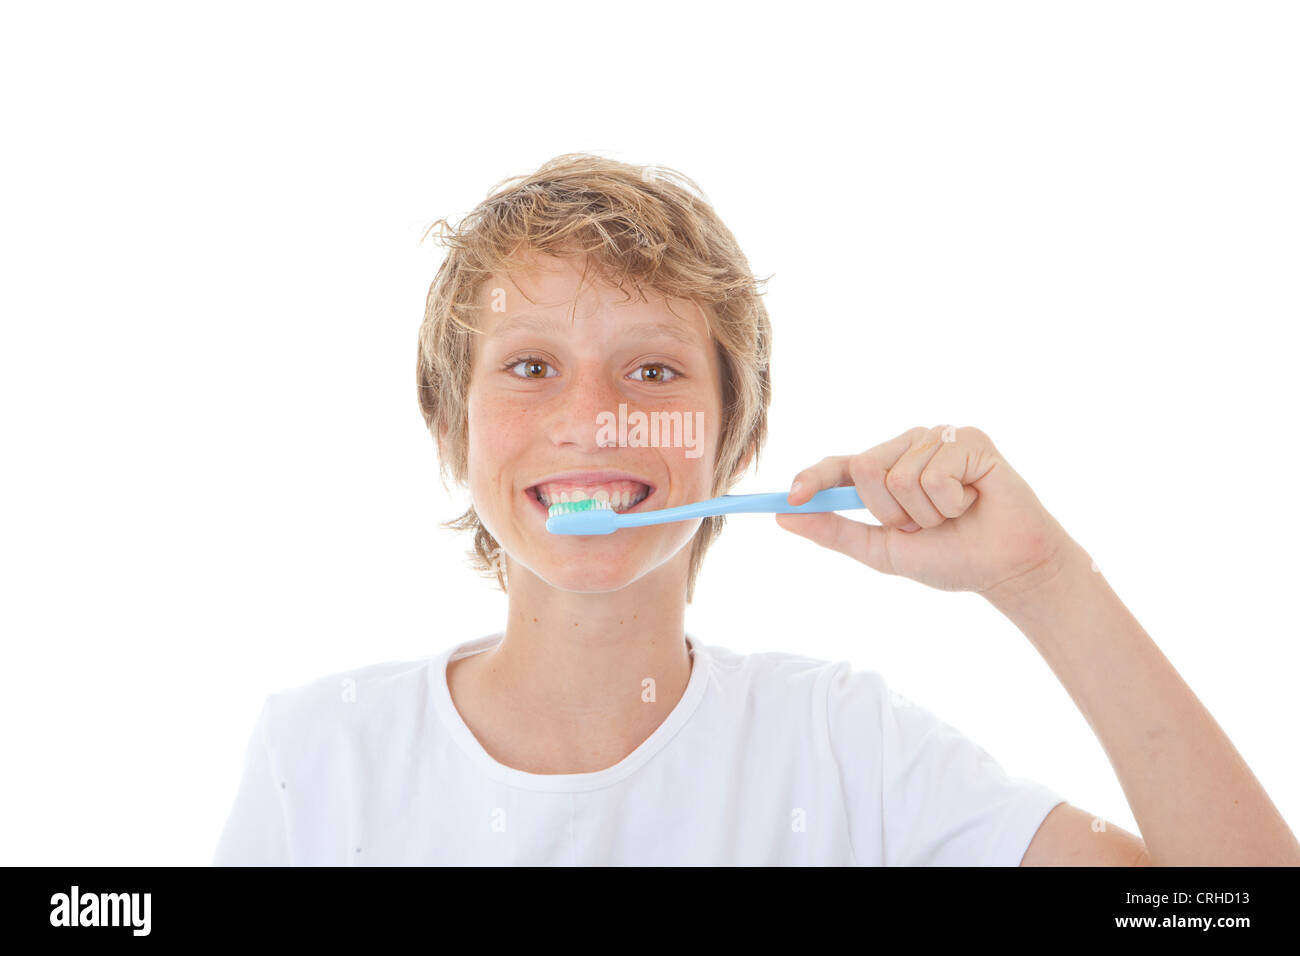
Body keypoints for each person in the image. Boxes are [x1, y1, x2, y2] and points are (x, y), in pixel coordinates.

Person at [213, 153, 1300, 865]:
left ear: (738, 435)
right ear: (450, 425)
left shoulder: (846, 750)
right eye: (532, 365)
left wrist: (1043, 579)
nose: (592, 419)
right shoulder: (317, 756)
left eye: (652, 373)